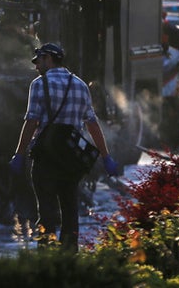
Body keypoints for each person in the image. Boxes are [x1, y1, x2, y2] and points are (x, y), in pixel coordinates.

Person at [9, 43, 117, 252]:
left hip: (46, 158)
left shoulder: (39, 84)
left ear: (49, 59)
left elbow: (31, 122)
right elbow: (92, 124)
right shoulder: (80, 85)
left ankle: (46, 256)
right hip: (71, 159)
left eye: (38, 60)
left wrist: (19, 154)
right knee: (70, 209)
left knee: (47, 211)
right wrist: (106, 157)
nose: (36, 66)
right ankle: (69, 257)